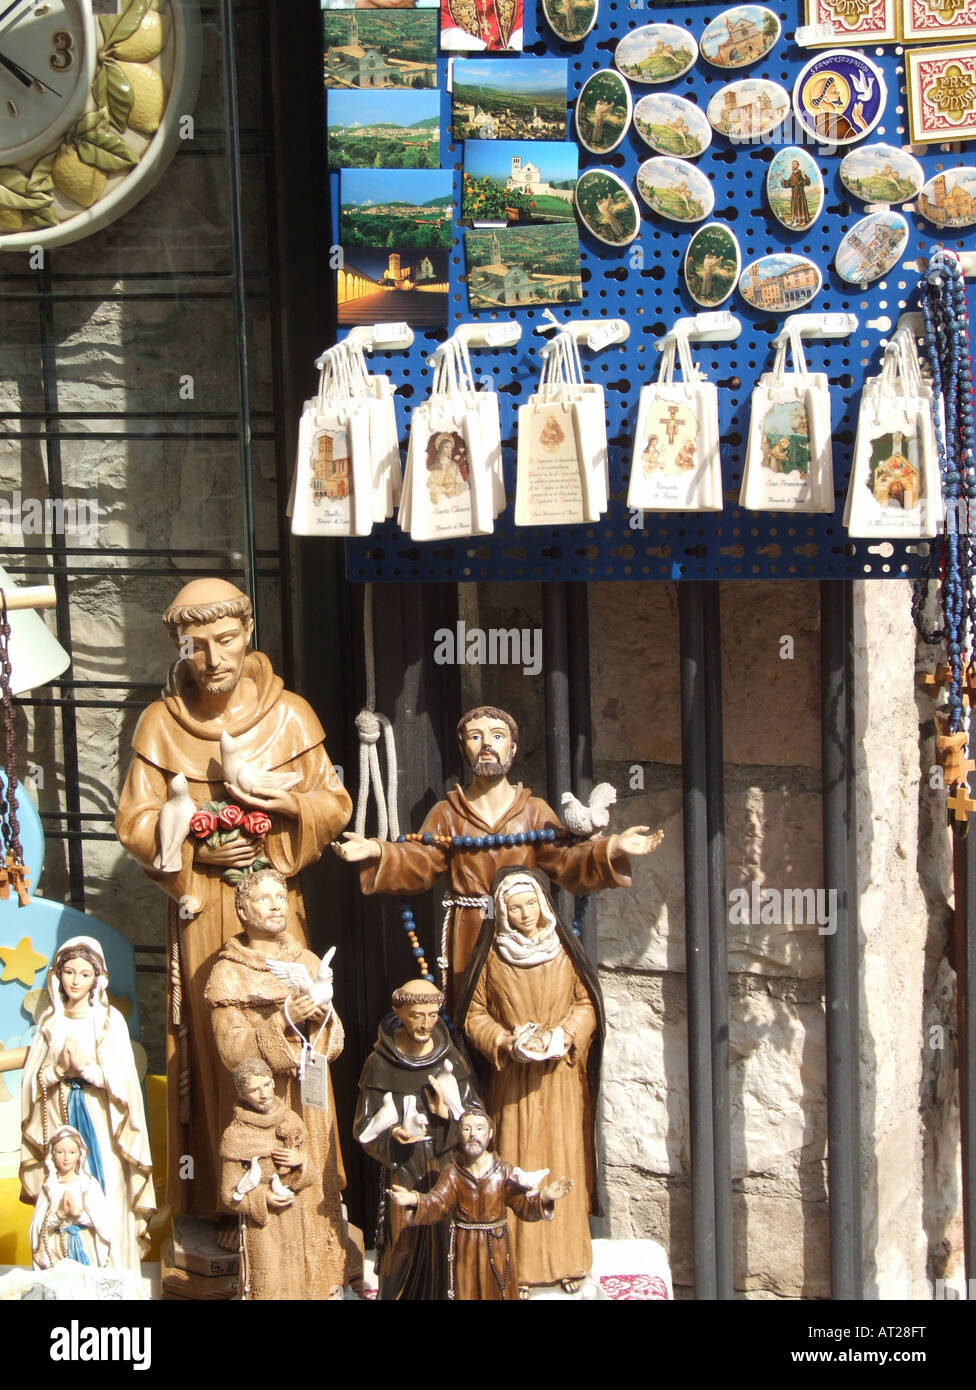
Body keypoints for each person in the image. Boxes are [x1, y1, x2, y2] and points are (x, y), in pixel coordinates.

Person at [115, 577, 351, 1219]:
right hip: (199, 910)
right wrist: (193, 849)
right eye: (198, 646)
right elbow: (135, 821)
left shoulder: (291, 715)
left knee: (286, 1019)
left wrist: (287, 809)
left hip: (275, 905)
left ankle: (301, 1193)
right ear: (180, 649)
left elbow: (334, 803)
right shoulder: (160, 725)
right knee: (212, 1041)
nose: (214, 658)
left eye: (226, 640)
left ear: (249, 633)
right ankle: (220, 1203)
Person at [334, 704, 662, 1000]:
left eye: (497, 735)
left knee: (525, 1003)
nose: (487, 744)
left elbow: (565, 860)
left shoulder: (533, 811)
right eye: (475, 736)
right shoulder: (447, 813)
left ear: (513, 747)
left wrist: (611, 848)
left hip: (524, 926)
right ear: (464, 747)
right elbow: (421, 860)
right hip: (470, 928)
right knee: (470, 1008)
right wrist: (378, 851)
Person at [457, 867, 603, 1294]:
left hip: (559, 1078)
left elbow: (587, 1003)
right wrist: (506, 1042)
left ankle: (568, 1260)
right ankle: (514, 1266)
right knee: (515, 1165)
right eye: (513, 907)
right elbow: (474, 1014)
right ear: (502, 912)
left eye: (530, 904)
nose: (523, 913)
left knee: (563, 1160)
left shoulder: (563, 952)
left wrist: (565, 1035)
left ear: (543, 904)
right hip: (514, 1082)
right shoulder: (493, 958)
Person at [205, 867, 347, 1294]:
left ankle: (324, 1279)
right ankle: (278, 1285)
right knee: (275, 1184)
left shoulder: (305, 961)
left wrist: (322, 1021)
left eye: (281, 898)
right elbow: (232, 1051)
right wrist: (285, 1019)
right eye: (264, 899)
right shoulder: (229, 972)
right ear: (243, 910)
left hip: (310, 1097)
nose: (276, 906)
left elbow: (333, 1039)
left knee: (314, 1180)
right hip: (265, 1105)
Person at [20, 937, 155, 1276]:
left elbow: (126, 1083)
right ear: (58, 975)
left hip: (101, 1121)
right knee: (61, 1194)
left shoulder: (108, 1021)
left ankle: (112, 1273)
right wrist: (55, 1073)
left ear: (98, 978)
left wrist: (90, 1071)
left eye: (84, 973)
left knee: (107, 1187)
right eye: (69, 972)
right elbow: (32, 1082)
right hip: (60, 1118)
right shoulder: (51, 1024)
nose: (76, 981)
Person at [354, 978, 479, 1299]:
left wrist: (448, 1116)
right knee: (402, 1245)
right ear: (399, 1012)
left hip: (444, 1165)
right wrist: (393, 1135)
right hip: (403, 1167)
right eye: (416, 1015)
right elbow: (364, 1126)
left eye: (433, 1015)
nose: (425, 1024)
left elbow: (477, 1118)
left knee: (444, 1241)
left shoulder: (449, 1059)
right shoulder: (380, 1063)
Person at [390, 1107, 572, 1299]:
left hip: (497, 1244)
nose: (473, 1135)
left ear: (490, 1133)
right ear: (459, 1133)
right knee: (466, 1291)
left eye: (479, 1129)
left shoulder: (504, 1171)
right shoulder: (452, 1172)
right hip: (465, 1245)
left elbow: (522, 1205)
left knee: (498, 1290)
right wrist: (414, 1198)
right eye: (467, 1129)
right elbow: (438, 1202)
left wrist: (545, 1197)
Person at [218, 1058, 315, 1300]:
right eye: (253, 1090)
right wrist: (264, 1197)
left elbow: (312, 1172)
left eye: (266, 1085)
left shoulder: (290, 1120)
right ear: (242, 1094)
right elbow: (229, 1194)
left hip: (294, 1220)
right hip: (262, 1227)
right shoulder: (236, 1136)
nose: (263, 1094)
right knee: (267, 1285)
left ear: (273, 1083)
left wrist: (300, 1160)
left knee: (296, 1281)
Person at [29, 1126, 115, 1270]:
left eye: (72, 1152)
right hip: (56, 1250)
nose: (66, 1158)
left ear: (79, 1154)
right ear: (52, 1154)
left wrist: (78, 1214)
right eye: (60, 1152)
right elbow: (37, 1228)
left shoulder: (88, 1185)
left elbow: (103, 1224)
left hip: (84, 1245)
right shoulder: (49, 1187)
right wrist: (59, 1214)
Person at [781, 159, 811, 228]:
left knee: (801, 206)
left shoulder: (801, 173)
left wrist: (804, 177)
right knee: (795, 206)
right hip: (794, 193)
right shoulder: (792, 174)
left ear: (797, 165)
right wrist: (782, 180)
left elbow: (808, 182)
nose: (793, 165)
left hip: (800, 193)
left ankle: (803, 221)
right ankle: (796, 220)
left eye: (794, 164)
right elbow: (789, 183)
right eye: (792, 164)